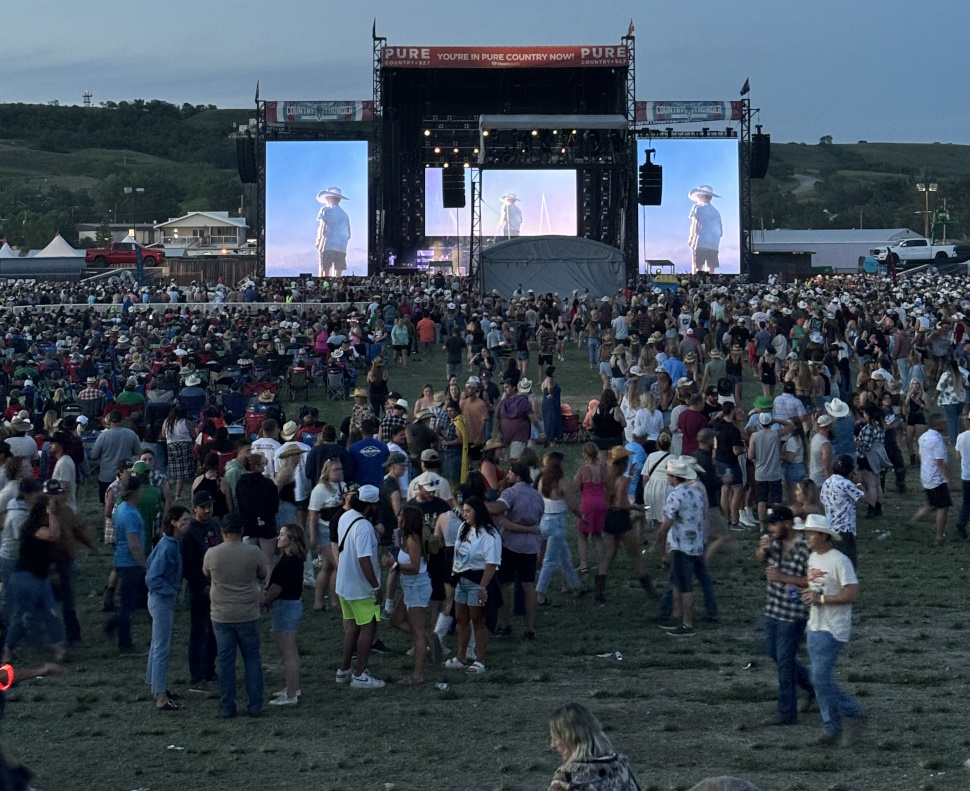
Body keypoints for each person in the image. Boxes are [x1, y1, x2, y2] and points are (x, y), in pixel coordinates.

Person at [799, 513, 865, 747]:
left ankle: (850, 714)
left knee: (819, 679)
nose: (806, 536)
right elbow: (813, 585)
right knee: (819, 679)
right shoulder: (813, 558)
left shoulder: (840, 560)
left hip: (833, 627)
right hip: (816, 625)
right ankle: (832, 727)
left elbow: (852, 593)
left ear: (822, 536)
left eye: (810, 533)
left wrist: (822, 599)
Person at [203, 512, 268, 719]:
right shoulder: (253, 552)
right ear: (242, 531)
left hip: (221, 614)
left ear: (223, 532)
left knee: (225, 661)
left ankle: (227, 706)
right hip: (248, 612)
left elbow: (206, 574)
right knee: (252, 658)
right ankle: (255, 705)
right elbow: (262, 574)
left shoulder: (212, 553)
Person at [755, 505, 814, 726]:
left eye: (775, 524)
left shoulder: (805, 546)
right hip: (774, 607)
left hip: (794, 611)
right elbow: (759, 559)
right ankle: (813, 687)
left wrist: (783, 578)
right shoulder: (773, 542)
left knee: (784, 661)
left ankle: (786, 711)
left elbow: (813, 579)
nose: (771, 528)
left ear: (788, 523)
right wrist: (762, 550)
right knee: (776, 654)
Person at [1, 492, 66, 664]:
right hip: (26, 578)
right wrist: (52, 513)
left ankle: (57, 645)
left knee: (50, 611)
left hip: (40, 577)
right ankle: (8, 649)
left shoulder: (35, 525)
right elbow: (53, 535)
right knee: (22, 614)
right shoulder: (34, 527)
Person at [335, 485, 386, 690]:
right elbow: (364, 559)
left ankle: (344, 670)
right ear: (372, 505)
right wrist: (375, 586)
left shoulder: (345, 517)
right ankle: (360, 674)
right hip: (361, 587)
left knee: (351, 628)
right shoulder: (364, 527)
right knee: (368, 627)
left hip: (344, 583)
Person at [488, 461, 544, 640]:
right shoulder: (536, 495)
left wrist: (481, 503)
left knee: (504, 585)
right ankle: (530, 628)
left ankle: (504, 625)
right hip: (530, 546)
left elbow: (497, 508)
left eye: (510, 474)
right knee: (528, 586)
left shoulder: (510, 493)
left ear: (517, 476)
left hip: (510, 544)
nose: (508, 476)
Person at [448, 496, 501, 675]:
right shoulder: (464, 528)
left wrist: (482, 587)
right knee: (461, 618)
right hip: (462, 578)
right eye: (464, 511)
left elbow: (491, 563)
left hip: (477, 580)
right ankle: (461, 656)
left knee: (478, 620)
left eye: (468, 511)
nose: (465, 514)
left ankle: (479, 660)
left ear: (478, 512)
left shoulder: (490, 534)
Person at [145, 505, 191, 711]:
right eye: (184, 521)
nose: (187, 524)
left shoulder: (169, 543)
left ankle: (156, 687)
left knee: (157, 645)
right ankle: (161, 696)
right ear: (173, 522)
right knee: (161, 648)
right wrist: (171, 590)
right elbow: (152, 577)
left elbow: (149, 564)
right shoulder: (168, 547)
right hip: (162, 600)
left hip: (159, 599)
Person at [657, 457, 709, 637]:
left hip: (681, 544)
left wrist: (660, 537)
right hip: (696, 543)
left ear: (674, 477)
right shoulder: (697, 492)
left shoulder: (675, 496)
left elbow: (668, 522)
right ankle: (676, 614)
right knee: (678, 580)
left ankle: (687, 624)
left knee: (685, 584)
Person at [381, 505, 433, 684]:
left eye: (401, 516)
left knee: (417, 634)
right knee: (395, 620)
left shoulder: (412, 540)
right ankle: (429, 640)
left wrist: (394, 565)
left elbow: (415, 567)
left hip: (416, 587)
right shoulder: (407, 538)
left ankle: (418, 676)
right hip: (410, 587)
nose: (398, 518)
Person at [546, 703, 642, 791]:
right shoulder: (621, 768)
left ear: (571, 739)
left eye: (556, 738)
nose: (553, 744)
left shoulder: (567, 777)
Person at [261, 523, 307, 706]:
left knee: (286, 652)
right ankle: (293, 687)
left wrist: (264, 601)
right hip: (291, 606)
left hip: (285, 607)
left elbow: (276, 587)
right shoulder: (293, 558)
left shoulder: (289, 561)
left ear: (291, 539)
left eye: (282, 535)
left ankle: (290, 694)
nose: (278, 537)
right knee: (290, 651)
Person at [535, 452, 583, 605]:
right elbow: (573, 503)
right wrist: (582, 516)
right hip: (557, 522)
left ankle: (576, 586)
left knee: (564, 557)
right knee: (550, 560)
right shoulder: (561, 482)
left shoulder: (542, 480)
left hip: (544, 520)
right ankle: (539, 593)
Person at [108, 476, 148, 654]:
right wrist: (144, 563)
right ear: (134, 492)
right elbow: (133, 543)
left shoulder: (121, 509)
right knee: (127, 604)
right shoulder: (130, 514)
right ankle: (124, 643)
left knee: (128, 602)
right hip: (130, 562)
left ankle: (113, 625)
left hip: (121, 559)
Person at [307, 459, 345, 611]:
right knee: (338, 566)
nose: (340, 472)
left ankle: (318, 602)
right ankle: (335, 601)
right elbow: (313, 515)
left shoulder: (343, 486)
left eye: (341, 469)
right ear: (327, 472)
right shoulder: (320, 490)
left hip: (339, 530)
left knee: (327, 567)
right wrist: (313, 537)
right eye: (336, 470)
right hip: (326, 530)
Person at [911, 412, 951, 544]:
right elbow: (940, 462)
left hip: (926, 474)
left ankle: (913, 521)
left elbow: (921, 455)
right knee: (943, 507)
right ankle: (939, 536)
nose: (946, 424)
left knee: (932, 504)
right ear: (938, 425)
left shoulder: (923, 437)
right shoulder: (937, 440)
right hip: (936, 478)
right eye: (943, 422)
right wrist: (948, 479)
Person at [236, 452, 281, 568]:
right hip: (266, 522)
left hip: (248, 523)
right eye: (262, 464)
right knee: (268, 562)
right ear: (256, 466)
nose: (264, 466)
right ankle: (266, 585)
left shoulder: (240, 484)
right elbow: (275, 504)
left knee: (248, 562)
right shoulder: (268, 483)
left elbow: (240, 504)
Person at [89, 410, 142, 503]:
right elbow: (139, 451)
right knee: (124, 502)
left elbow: (94, 456)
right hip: (125, 475)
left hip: (106, 476)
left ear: (109, 421)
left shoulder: (103, 436)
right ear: (122, 420)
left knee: (106, 503)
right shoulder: (131, 434)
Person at [161, 406, 197, 498]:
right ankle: (178, 494)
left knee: (175, 471)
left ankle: (168, 488)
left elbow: (163, 435)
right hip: (185, 446)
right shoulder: (186, 422)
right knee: (181, 473)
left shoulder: (167, 422)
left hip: (171, 447)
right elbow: (194, 435)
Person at [315, 187, 351, 278]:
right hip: (341, 247)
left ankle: (323, 286)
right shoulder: (345, 215)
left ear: (330, 199)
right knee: (338, 272)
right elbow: (349, 234)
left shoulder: (325, 210)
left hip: (328, 244)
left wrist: (319, 241)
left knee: (325, 269)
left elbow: (322, 227)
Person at [687, 184, 722, 274]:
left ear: (701, 196)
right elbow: (720, 232)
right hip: (714, 245)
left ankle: (697, 281)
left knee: (697, 266)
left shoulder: (697, 208)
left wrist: (691, 238)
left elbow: (694, 224)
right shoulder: (716, 212)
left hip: (700, 242)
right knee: (711, 267)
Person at [956, 416, 970, 540]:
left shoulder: (961, 436)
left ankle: (962, 521)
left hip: (966, 475)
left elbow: (958, 456)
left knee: (966, 502)